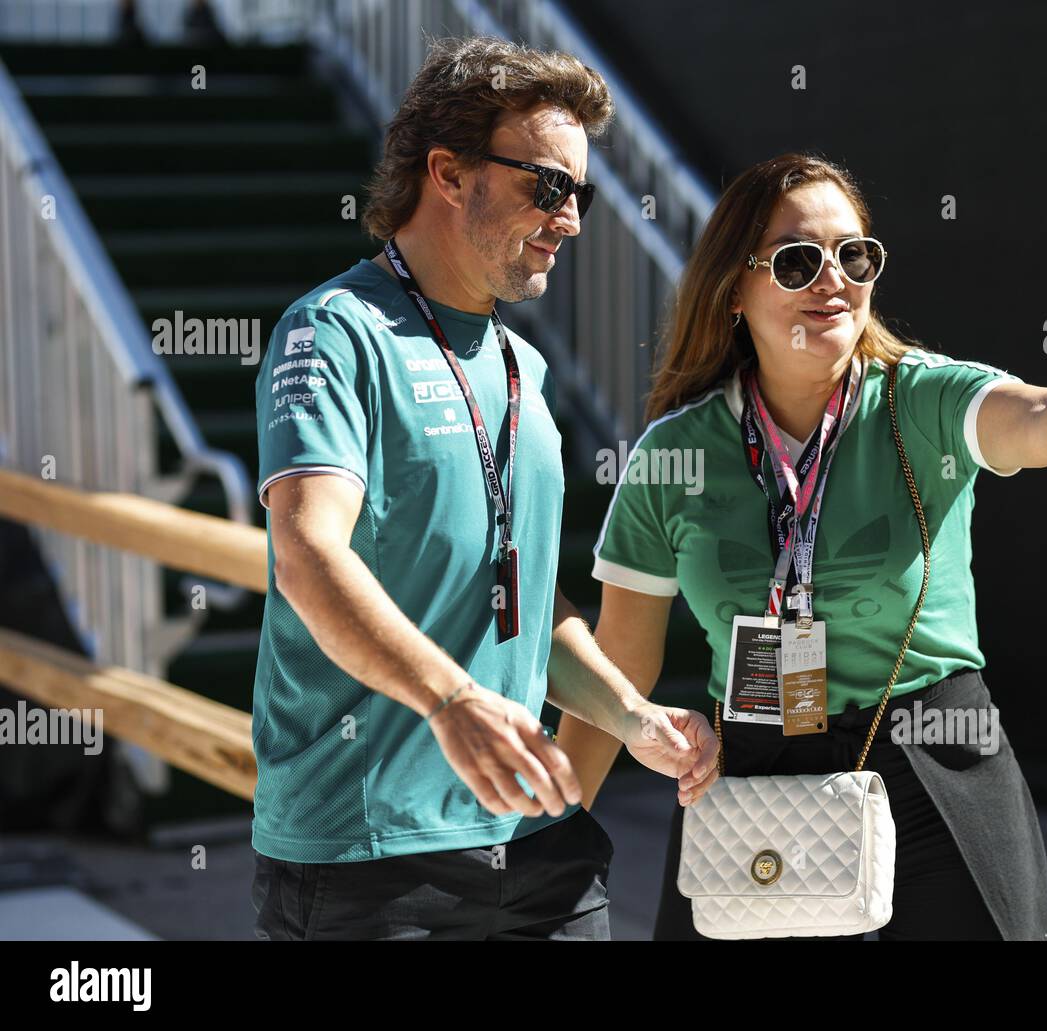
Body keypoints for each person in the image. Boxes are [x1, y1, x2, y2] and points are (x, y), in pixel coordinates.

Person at [557, 152, 1047, 940]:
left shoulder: (924, 397)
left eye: (854, 255)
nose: (833, 279)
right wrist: (548, 827)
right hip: (752, 774)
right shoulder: (675, 454)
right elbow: (624, 659)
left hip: (936, 767)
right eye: (797, 260)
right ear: (733, 289)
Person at [249, 36, 718, 941]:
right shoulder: (336, 331)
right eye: (547, 186)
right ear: (448, 173)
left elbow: (524, 604)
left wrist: (633, 714)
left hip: (535, 846)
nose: (571, 218)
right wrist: (451, 700)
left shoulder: (523, 367)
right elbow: (308, 552)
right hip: (367, 857)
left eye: (578, 193)